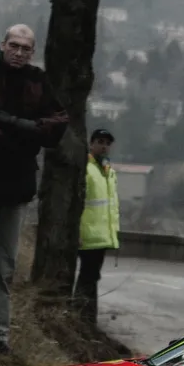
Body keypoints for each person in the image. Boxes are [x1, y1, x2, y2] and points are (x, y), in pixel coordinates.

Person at [0, 24, 68, 353]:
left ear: (33, 52)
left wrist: (13, 124)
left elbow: (58, 123)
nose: (19, 52)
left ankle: (0, 335)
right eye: (14, 45)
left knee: (5, 263)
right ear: (2, 44)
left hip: (17, 186)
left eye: (26, 48)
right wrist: (19, 138)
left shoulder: (37, 81)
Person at [74, 129, 121, 324]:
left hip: (101, 236)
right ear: (91, 144)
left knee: (92, 277)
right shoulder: (86, 168)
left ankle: (85, 318)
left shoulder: (108, 171)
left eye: (107, 143)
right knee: (88, 277)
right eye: (100, 142)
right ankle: (82, 317)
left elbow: (111, 206)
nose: (104, 146)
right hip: (88, 235)